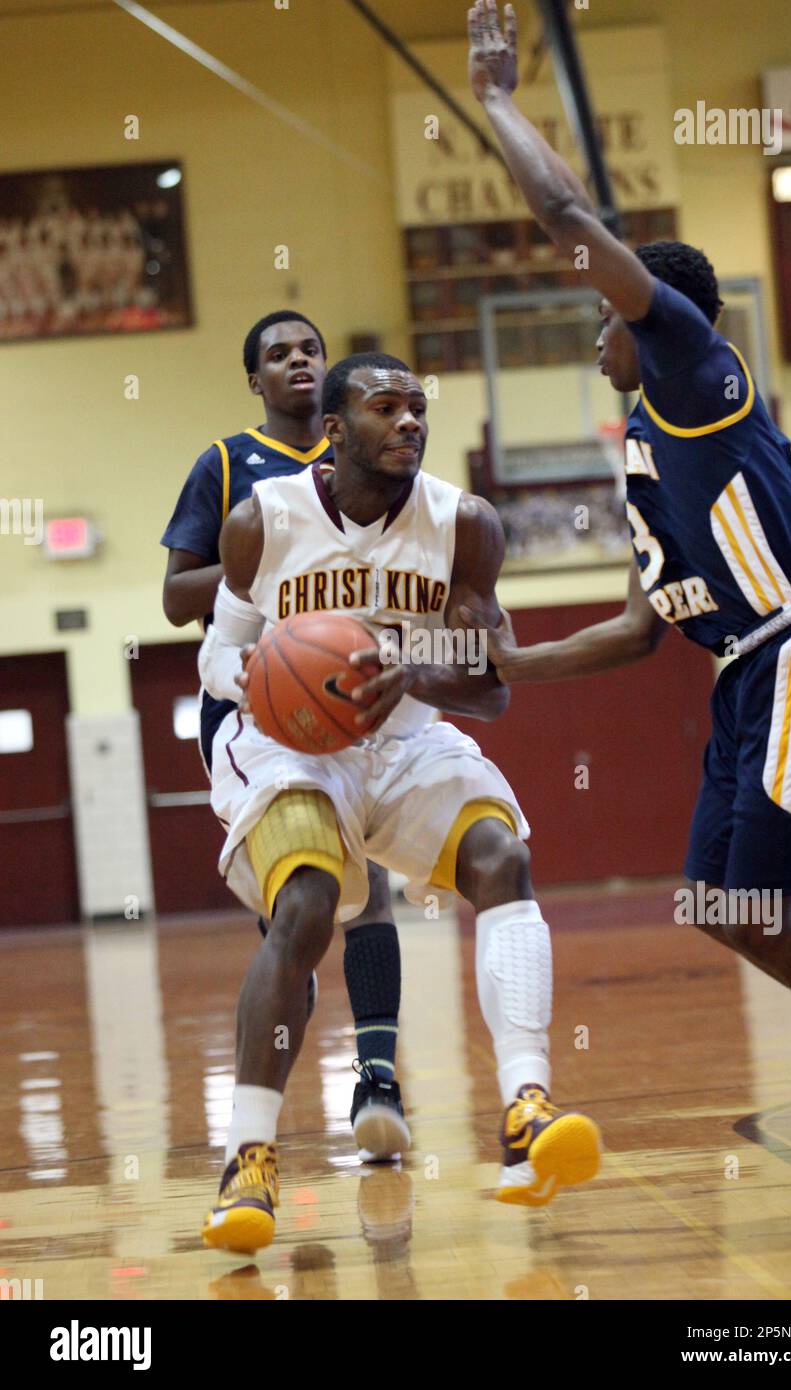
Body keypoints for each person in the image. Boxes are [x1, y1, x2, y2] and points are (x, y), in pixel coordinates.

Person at [466, 0, 791, 1206]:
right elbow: (643, 629)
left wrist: (493, 97)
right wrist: (511, 667)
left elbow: (566, 217)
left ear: (650, 317)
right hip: (752, 664)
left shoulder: (693, 364)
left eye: (603, 321)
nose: (595, 341)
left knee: (748, 898)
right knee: (717, 900)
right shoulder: (648, 453)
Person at [197, 351, 601, 1253]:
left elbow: (492, 688)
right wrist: (287, 677)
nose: (411, 422)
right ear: (334, 430)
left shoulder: (466, 524)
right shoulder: (260, 522)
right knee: (303, 906)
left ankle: (527, 1112)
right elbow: (216, 661)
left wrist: (411, 674)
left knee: (503, 857)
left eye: (419, 408)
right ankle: (248, 1157)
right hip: (291, 746)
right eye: (387, 408)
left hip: (410, 738)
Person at [160, 310, 409, 1164]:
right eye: (277, 353)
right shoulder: (227, 465)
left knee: (368, 879)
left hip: (352, 688)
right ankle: (266, 1102)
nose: (297, 360)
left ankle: (378, 1080)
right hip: (255, 694)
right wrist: (264, 556)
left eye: (310, 348)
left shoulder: (374, 454)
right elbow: (174, 597)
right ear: (255, 380)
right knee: (297, 906)